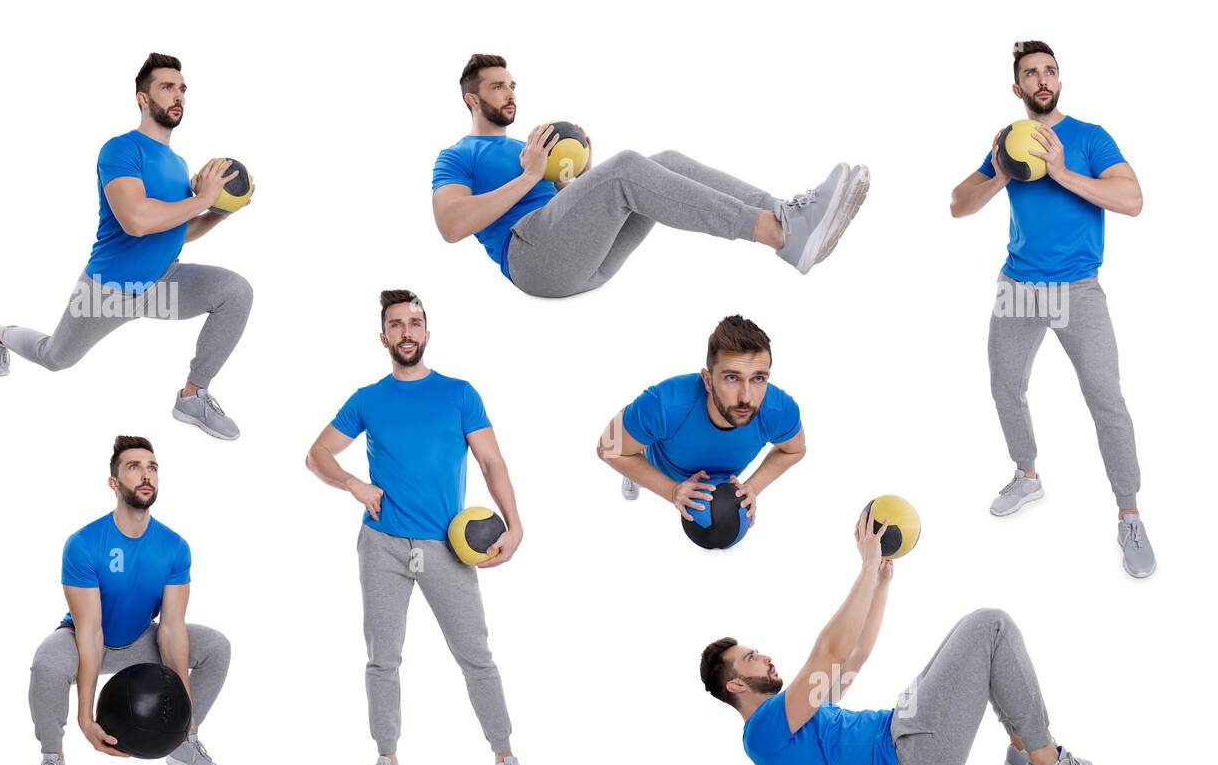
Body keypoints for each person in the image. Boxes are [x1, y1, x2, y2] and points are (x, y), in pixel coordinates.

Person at [700, 508, 1120, 765]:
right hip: (911, 758)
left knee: (973, 634)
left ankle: (1024, 748)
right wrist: (864, 566)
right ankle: (1046, 764)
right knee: (990, 625)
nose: (766, 657)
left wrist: (881, 581)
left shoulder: (794, 718)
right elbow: (830, 651)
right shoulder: (763, 732)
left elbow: (853, 658)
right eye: (752, 657)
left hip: (903, 724)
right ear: (735, 683)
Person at [305, 290, 537, 765]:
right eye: (396, 324)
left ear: (427, 334)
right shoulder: (367, 398)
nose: (406, 331)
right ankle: (387, 762)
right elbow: (316, 454)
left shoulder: (459, 393)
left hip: (446, 547)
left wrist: (516, 525)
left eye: (415, 322)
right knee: (382, 660)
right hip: (382, 545)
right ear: (383, 337)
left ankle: (506, 761)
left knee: (476, 658)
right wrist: (353, 485)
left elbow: (492, 463)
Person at [950, 41, 1153, 577]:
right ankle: (1028, 475)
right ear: (1018, 89)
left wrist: (1060, 171)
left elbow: (1132, 200)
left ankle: (1129, 513)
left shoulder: (1089, 137)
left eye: (1049, 71)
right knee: (1004, 386)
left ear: (1059, 80)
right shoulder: (1009, 142)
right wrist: (998, 173)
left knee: (1106, 398)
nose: (1042, 80)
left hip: (1078, 290)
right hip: (1017, 286)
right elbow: (957, 205)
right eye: (1030, 74)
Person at [432, 54, 869, 299]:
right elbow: (451, 226)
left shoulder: (524, 149)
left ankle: (787, 215)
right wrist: (529, 176)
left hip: (579, 261)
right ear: (472, 99)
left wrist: (579, 175)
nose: (509, 94)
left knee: (665, 160)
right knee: (626, 167)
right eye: (497, 87)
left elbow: (558, 204)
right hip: (531, 261)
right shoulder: (457, 155)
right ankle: (779, 233)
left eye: (512, 86)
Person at [0, 52, 255, 441]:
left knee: (236, 292)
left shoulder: (178, 163)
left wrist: (221, 212)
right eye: (166, 87)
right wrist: (202, 198)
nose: (177, 95)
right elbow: (137, 221)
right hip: (108, 291)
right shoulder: (121, 150)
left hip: (163, 283)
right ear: (143, 99)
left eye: (182, 89)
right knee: (55, 358)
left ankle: (193, 397)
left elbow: (175, 232)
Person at [27, 436, 232, 765]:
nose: (146, 475)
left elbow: (171, 629)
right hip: (85, 639)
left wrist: (184, 711)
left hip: (141, 638)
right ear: (114, 483)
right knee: (47, 664)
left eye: (152, 467)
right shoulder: (84, 544)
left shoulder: (175, 547)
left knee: (216, 646)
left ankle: (185, 742)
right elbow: (90, 632)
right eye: (134, 467)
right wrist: (85, 717)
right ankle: (52, 759)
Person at [597, 315, 805, 529]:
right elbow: (607, 448)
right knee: (626, 444)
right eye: (732, 378)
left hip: (725, 478)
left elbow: (794, 450)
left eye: (758, 378)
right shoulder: (665, 403)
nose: (746, 397)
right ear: (707, 380)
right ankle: (634, 465)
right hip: (663, 468)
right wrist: (671, 490)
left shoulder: (778, 409)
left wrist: (752, 486)